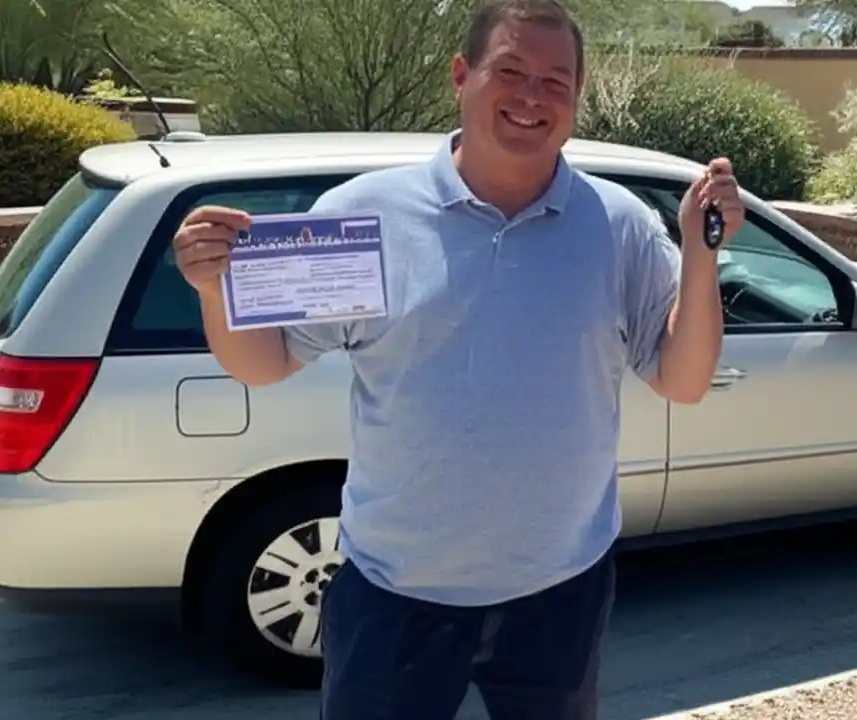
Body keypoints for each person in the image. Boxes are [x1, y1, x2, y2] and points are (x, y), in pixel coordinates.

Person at [170, 0, 744, 717]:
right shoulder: (364, 217)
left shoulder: (619, 224)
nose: (532, 97)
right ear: (461, 75)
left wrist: (700, 249)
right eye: (511, 70)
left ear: (575, 99)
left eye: (555, 82)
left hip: (559, 591)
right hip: (393, 592)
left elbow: (684, 380)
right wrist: (211, 287)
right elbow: (265, 362)